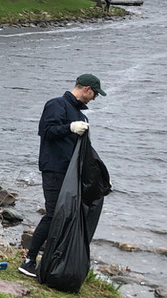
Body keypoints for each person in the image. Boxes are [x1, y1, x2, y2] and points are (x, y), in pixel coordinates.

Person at [19, 73, 106, 278]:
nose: (94, 99)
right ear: (86, 89)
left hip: (71, 173)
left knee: (66, 216)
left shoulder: (82, 115)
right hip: (54, 169)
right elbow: (46, 131)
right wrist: (69, 127)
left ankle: (53, 259)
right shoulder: (56, 104)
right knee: (53, 214)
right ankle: (29, 260)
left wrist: (100, 175)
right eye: (94, 94)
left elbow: (85, 150)